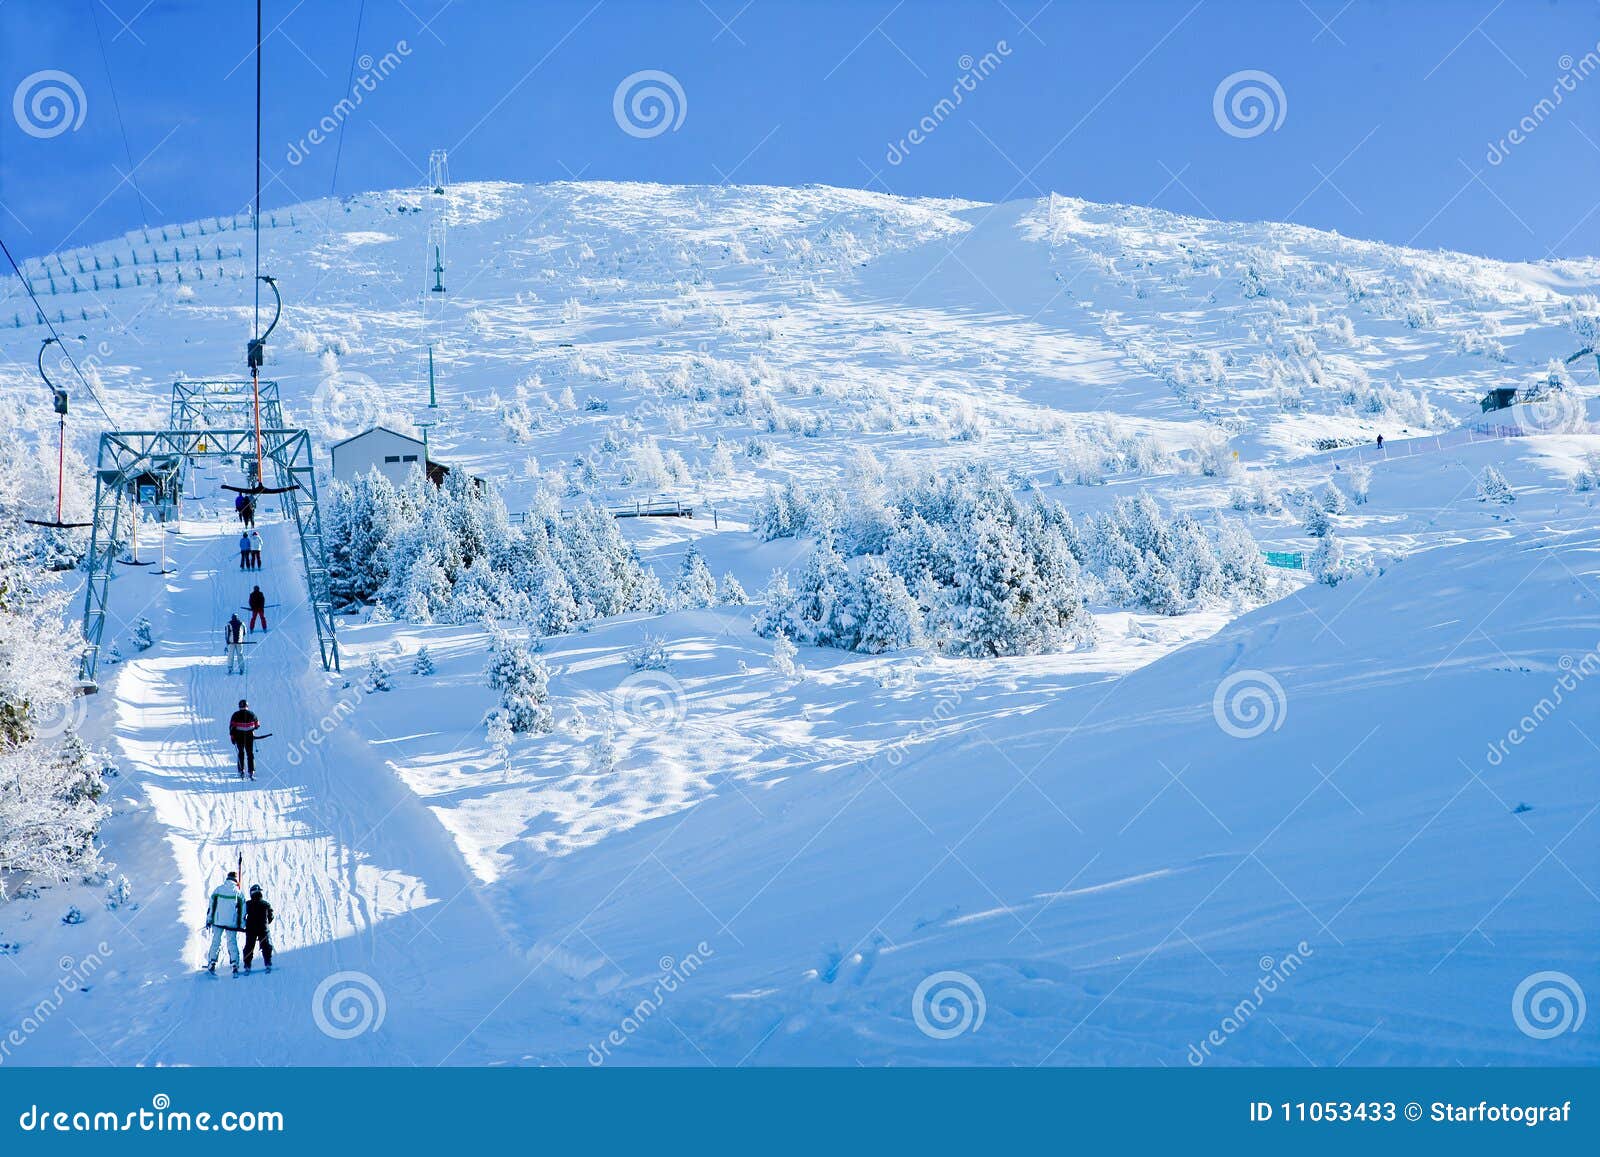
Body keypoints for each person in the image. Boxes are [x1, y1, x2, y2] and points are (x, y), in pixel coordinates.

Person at [205, 870, 245, 975]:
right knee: (232, 942)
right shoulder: (238, 892)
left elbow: (211, 906)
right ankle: (234, 964)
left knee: (216, 942)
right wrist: (241, 924)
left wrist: (209, 919)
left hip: (217, 921)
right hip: (231, 923)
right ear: (236, 880)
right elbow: (242, 910)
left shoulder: (218, 890)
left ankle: (212, 962)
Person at [243, 884, 274, 974]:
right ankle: (268, 963)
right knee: (266, 946)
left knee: (249, 947)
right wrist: (266, 923)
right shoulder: (266, 904)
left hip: (251, 929)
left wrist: (245, 924)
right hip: (263, 929)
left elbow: (242, 915)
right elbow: (271, 917)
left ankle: (247, 965)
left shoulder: (248, 904)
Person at [229, 698, 260, 779]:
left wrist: (232, 737)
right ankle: (251, 771)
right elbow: (257, 725)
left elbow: (232, 727)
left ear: (239, 706)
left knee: (241, 752)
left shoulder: (235, 715)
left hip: (239, 737)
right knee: (250, 753)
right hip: (249, 736)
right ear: (247, 706)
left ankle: (241, 770)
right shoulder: (252, 714)